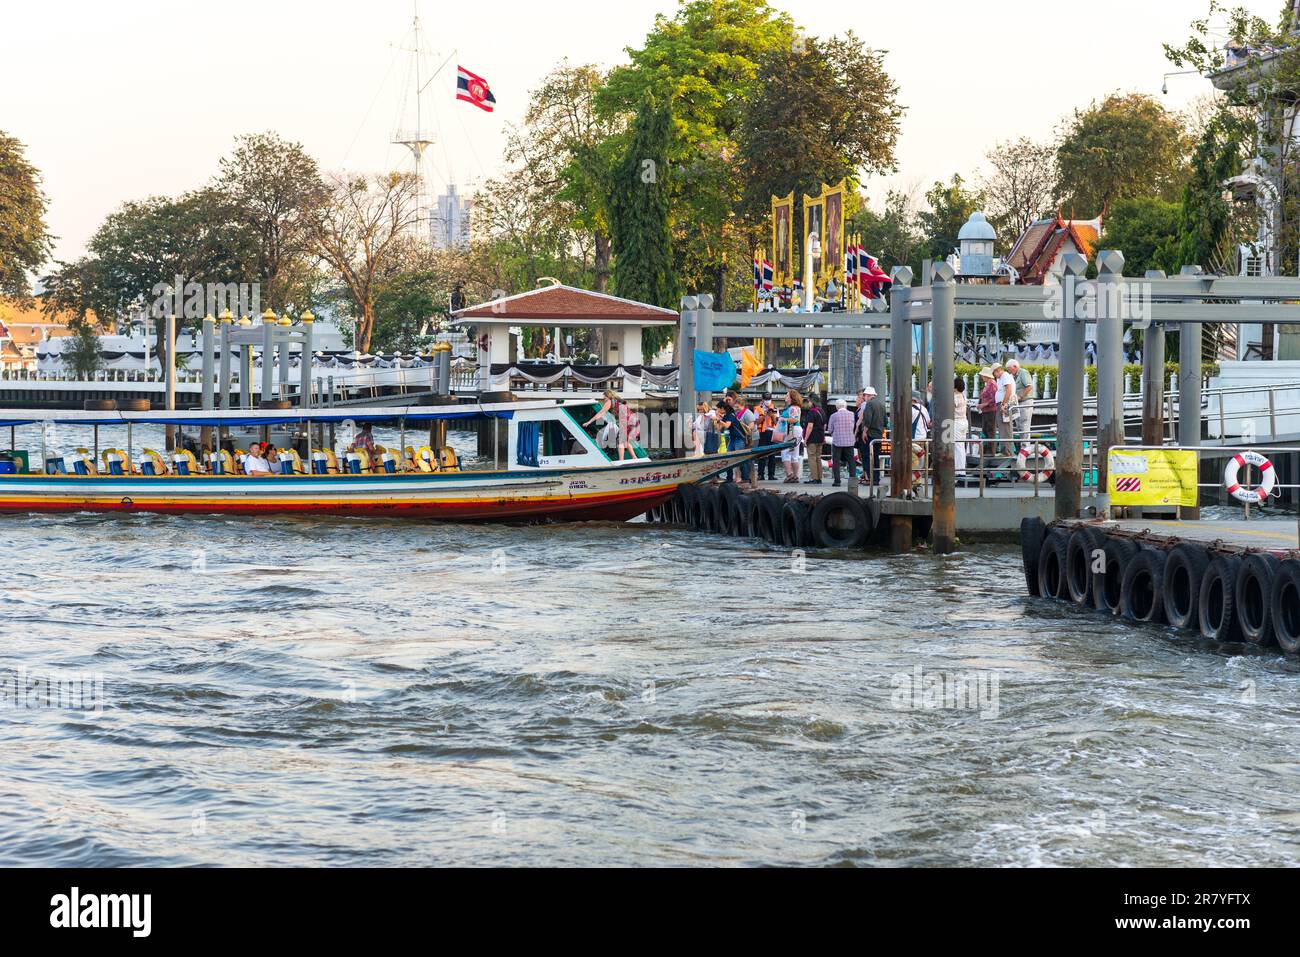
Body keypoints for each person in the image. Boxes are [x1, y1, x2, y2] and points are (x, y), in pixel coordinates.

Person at [857, 386, 887, 486]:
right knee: (876, 457)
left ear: (868, 395)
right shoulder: (881, 405)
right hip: (878, 435)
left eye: (864, 395)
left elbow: (868, 419)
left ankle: (869, 479)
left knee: (867, 457)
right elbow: (885, 421)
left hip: (870, 435)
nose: (864, 397)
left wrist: (864, 431)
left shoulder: (869, 404)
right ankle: (876, 478)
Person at [827, 398, 856, 487]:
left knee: (836, 462)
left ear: (837, 407)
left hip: (837, 442)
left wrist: (835, 433)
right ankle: (853, 481)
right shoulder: (852, 414)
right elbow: (853, 426)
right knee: (851, 461)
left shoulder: (833, 416)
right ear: (846, 406)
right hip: (849, 442)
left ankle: (837, 481)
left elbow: (830, 430)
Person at [1007, 359, 1036, 445]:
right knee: (1019, 425)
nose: (1008, 370)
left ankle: (1025, 447)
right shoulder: (1013, 376)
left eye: (1009, 368)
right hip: (1017, 403)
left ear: (1015, 367)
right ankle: (1023, 446)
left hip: (1025, 402)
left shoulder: (1023, 372)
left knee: (1024, 425)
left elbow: (1029, 386)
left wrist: (1020, 396)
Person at [992, 362, 1017, 456]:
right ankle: (1005, 451)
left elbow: (1008, 390)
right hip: (1003, 404)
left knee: (1005, 428)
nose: (994, 375)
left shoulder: (1005, 376)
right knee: (1003, 428)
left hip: (1004, 404)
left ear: (997, 371)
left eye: (994, 373)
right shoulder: (1001, 378)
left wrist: (1003, 404)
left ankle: (1007, 452)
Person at [779, 391, 804, 483]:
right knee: (794, 454)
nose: (785, 397)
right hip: (796, 429)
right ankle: (796, 476)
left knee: (785, 452)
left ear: (791, 398)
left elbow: (795, 419)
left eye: (787, 395)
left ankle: (789, 475)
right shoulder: (796, 407)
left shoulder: (792, 408)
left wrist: (782, 419)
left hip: (791, 429)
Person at [802, 395, 826, 484]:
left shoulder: (811, 412)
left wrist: (805, 439)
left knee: (812, 457)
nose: (808, 403)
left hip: (812, 438)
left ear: (812, 402)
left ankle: (814, 478)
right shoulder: (821, 411)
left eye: (808, 401)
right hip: (820, 437)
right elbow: (824, 425)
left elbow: (810, 426)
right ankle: (819, 477)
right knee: (818, 457)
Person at [754, 394, 778, 481]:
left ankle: (771, 475)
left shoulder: (775, 408)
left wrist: (772, 415)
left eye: (769, 399)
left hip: (772, 432)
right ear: (763, 399)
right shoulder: (758, 408)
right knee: (762, 454)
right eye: (766, 399)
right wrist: (764, 416)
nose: (768, 401)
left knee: (772, 454)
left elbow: (777, 423)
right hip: (762, 433)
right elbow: (756, 422)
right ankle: (761, 475)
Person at [976, 367, 997, 459]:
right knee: (986, 430)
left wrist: (984, 404)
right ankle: (987, 451)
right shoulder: (989, 384)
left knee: (990, 430)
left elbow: (994, 398)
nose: (981, 377)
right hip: (987, 410)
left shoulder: (991, 384)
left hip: (990, 410)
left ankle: (991, 451)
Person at [953, 377, 969, 477]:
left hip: (956, 422)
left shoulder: (955, 397)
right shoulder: (963, 395)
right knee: (961, 446)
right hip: (964, 421)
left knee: (957, 447)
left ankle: (959, 471)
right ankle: (961, 469)